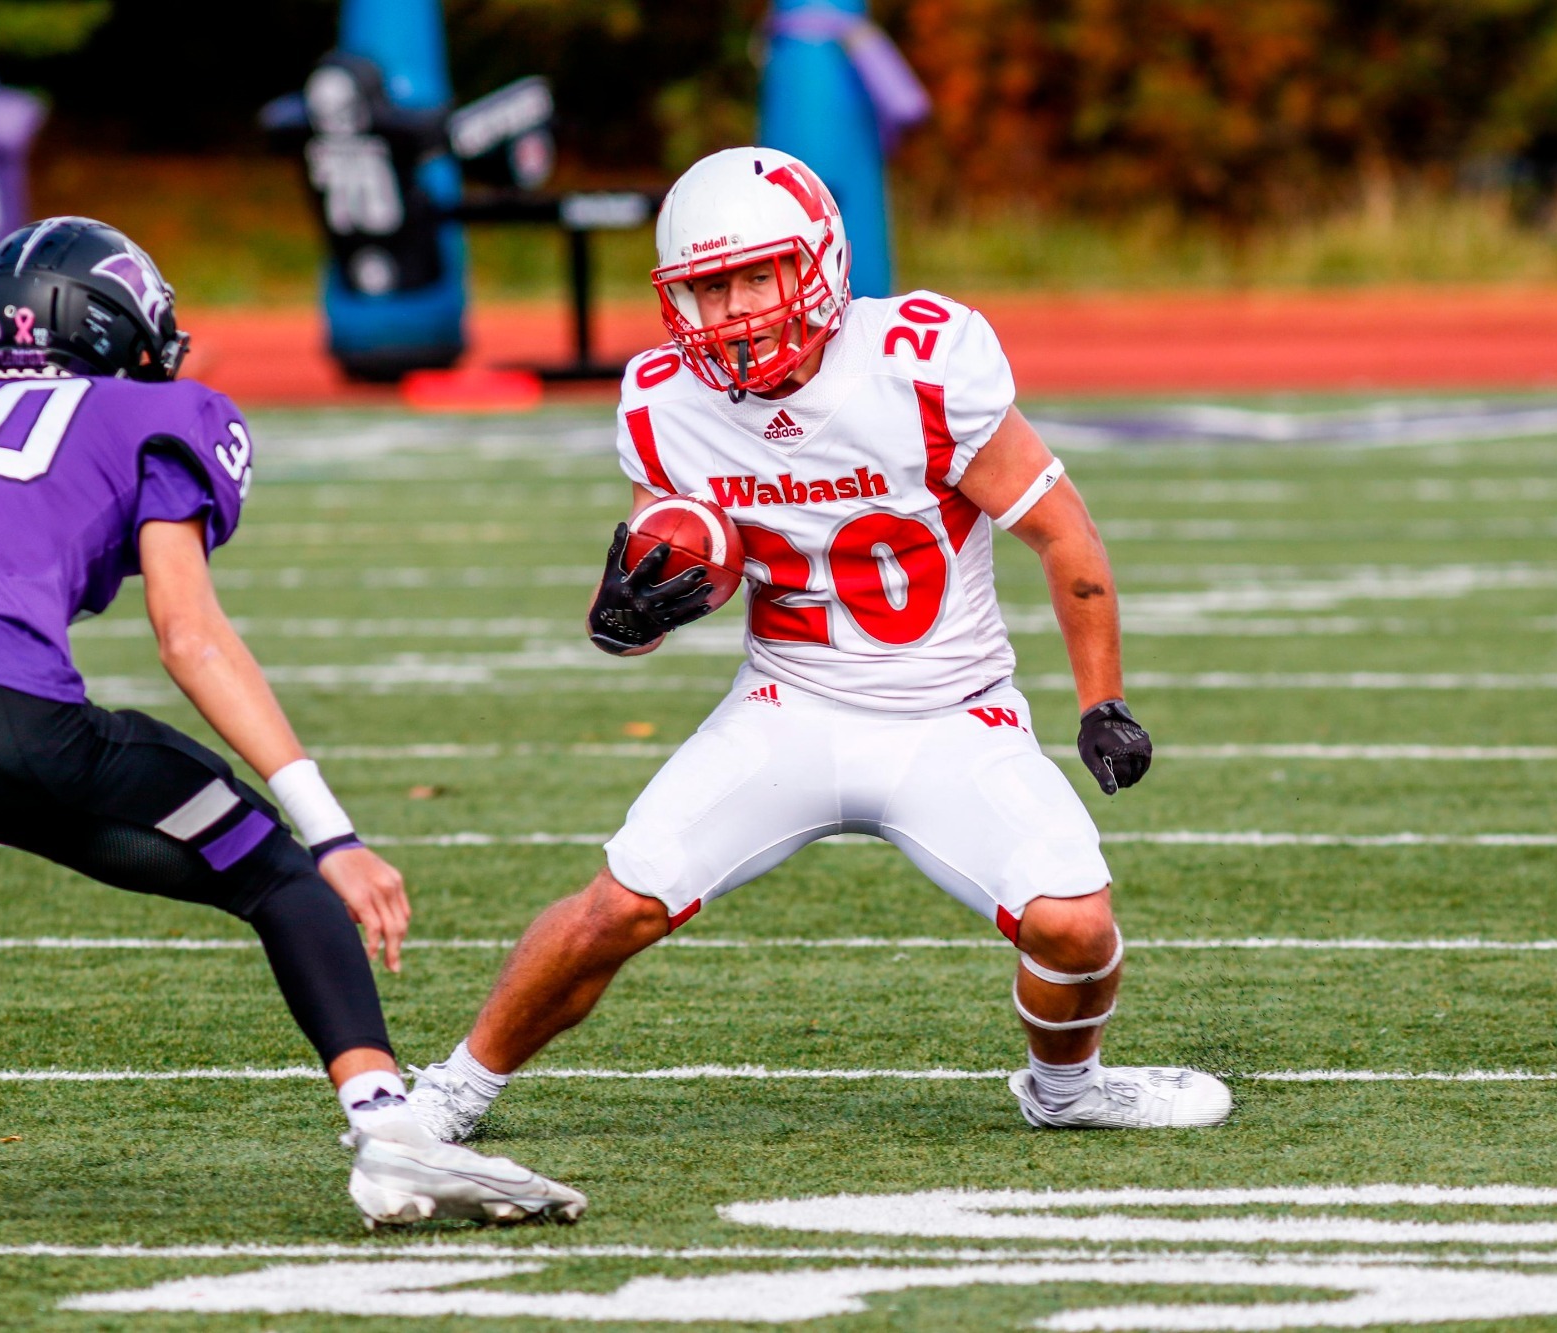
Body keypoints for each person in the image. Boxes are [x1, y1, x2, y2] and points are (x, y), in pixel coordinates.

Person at [408, 148, 1230, 1139]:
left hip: (951, 713)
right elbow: (657, 588)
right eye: (708, 288)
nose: (736, 308)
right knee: (616, 903)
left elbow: (1062, 533)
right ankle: (453, 1089)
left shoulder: (921, 364)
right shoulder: (667, 400)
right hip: (788, 705)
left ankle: (1067, 1091)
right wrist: (622, 617)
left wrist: (1100, 701)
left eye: (757, 274)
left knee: (1075, 922)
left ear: (820, 263)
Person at [0, 216, 586, 1228]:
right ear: (114, 331)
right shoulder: (152, 413)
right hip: (13, 723)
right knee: (281, 874)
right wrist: (332, 829)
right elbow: (189, 634)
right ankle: (388, 1128)